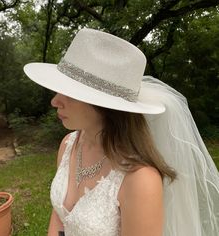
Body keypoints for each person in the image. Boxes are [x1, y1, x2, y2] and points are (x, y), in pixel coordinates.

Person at [24, 28, 219, 236]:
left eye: (71, 93)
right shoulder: (68, 144)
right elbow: (59, 215)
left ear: (105, 106)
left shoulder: (140, 180)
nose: (55, 101)